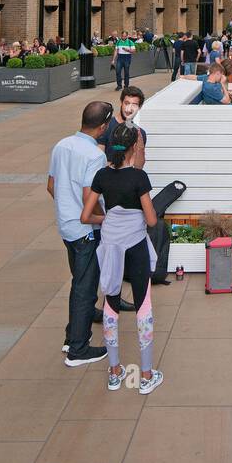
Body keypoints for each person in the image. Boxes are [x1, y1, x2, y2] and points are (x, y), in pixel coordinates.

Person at [81, 124, 163, 396]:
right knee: (143, 304)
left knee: (110, 304)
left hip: (110, 245)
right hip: (136, 245)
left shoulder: (102, 175)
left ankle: (115, 372)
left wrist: (109, 219)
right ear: (133, 149)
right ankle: (147, 374)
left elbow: (85, 216)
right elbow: (151, 220)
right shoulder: (139, 178)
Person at [47, 101, 111, 367]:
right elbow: (90, 197)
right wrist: (103, 219)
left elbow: (51, 185)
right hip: (86, 229)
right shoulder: (94, 155)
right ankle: (77, 348)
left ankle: (74, 331)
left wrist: (66, 205)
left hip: (66, 225)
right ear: (104, 126)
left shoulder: (61, 145)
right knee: (84, 287)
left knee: (80, 280)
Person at [98, 87, 147, 161]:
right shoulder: (105, 126)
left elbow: (136, 164)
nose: (129, 109)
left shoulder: (140, 133)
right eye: (127, 103)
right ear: (121, 102)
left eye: (134, 105)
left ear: (139, 107)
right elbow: (99, 160)